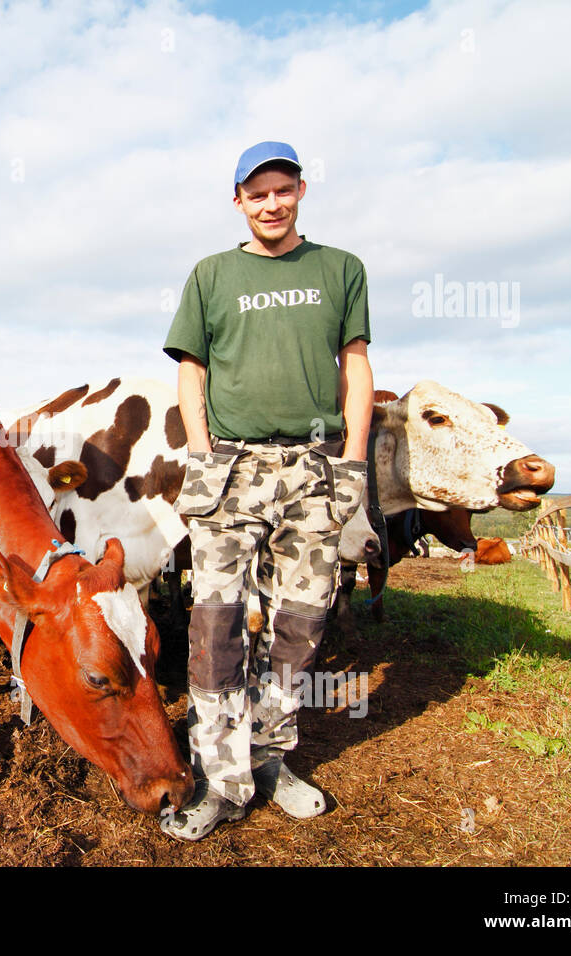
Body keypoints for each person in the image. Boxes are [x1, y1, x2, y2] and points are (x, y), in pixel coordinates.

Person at [160, 141, 374, 840]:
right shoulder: (211, 275)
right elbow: (191, 371)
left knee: (303, 622)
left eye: (283, 190)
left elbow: (357, 368)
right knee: (216, 626)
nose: (272, 204)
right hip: (229, 470)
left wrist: (353, 464)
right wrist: (198, 452)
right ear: (238, 202)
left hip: (314, 470)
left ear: (302, 191)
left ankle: (273, 756)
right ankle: (220, 780)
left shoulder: (340, 269)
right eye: (258, 194)